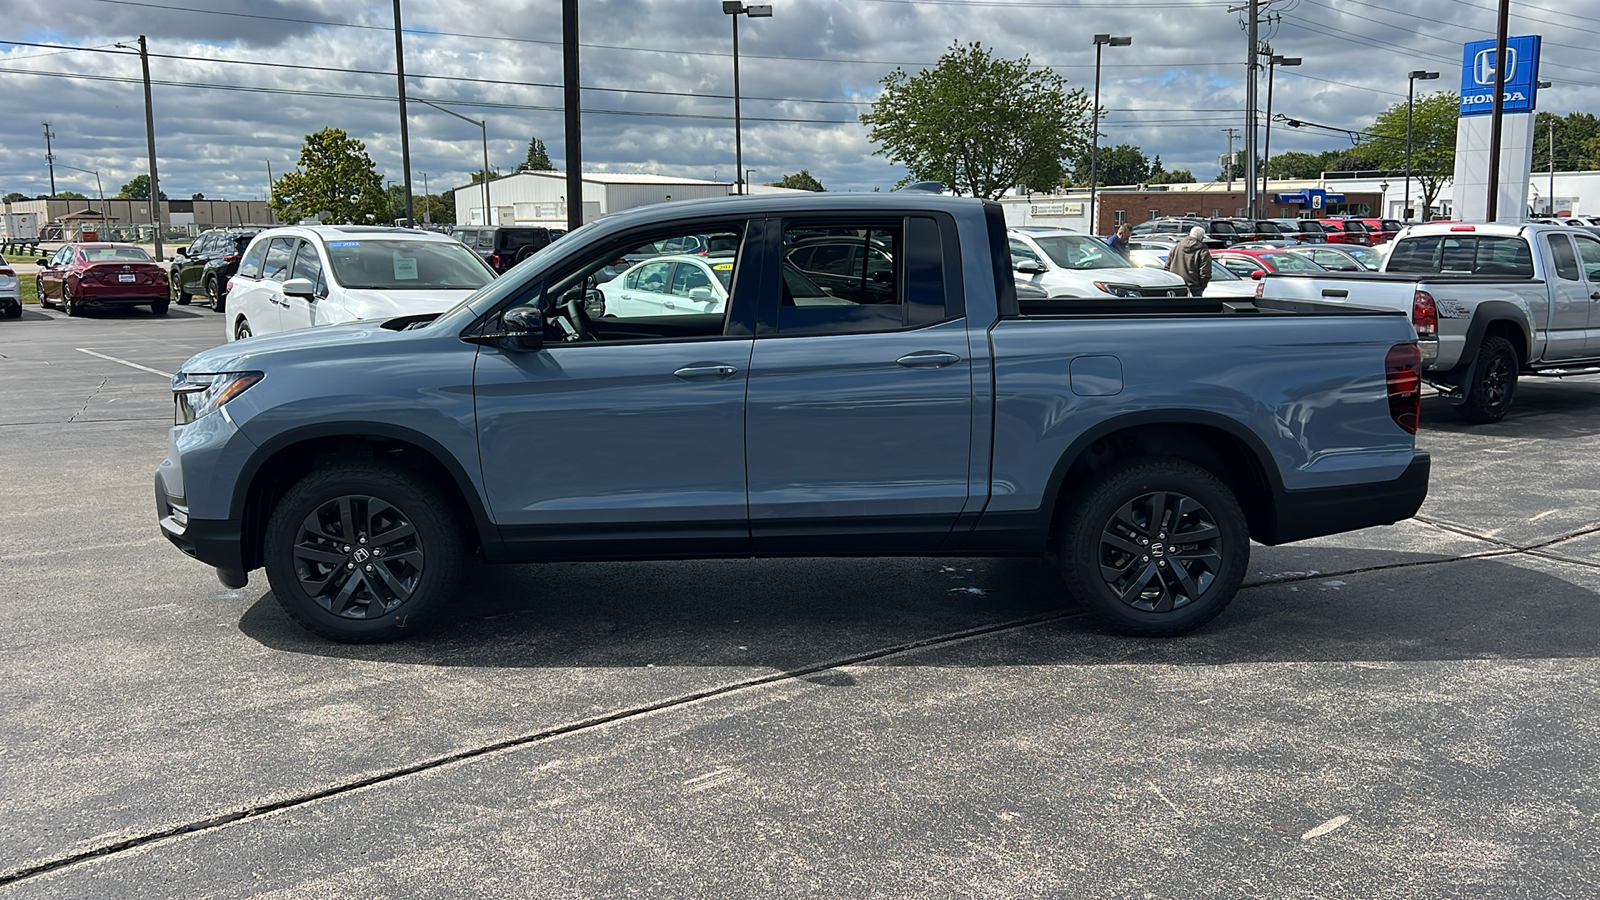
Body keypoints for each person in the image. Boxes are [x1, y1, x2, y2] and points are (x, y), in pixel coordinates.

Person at [1166, 225, 1212, 296]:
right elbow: (1205, 272)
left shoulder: (1177, 247)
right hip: (1194, 286)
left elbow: (1167, 266)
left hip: (1177, 286)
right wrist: (1201, 286)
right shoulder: (1202, 250)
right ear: (1201, 237)